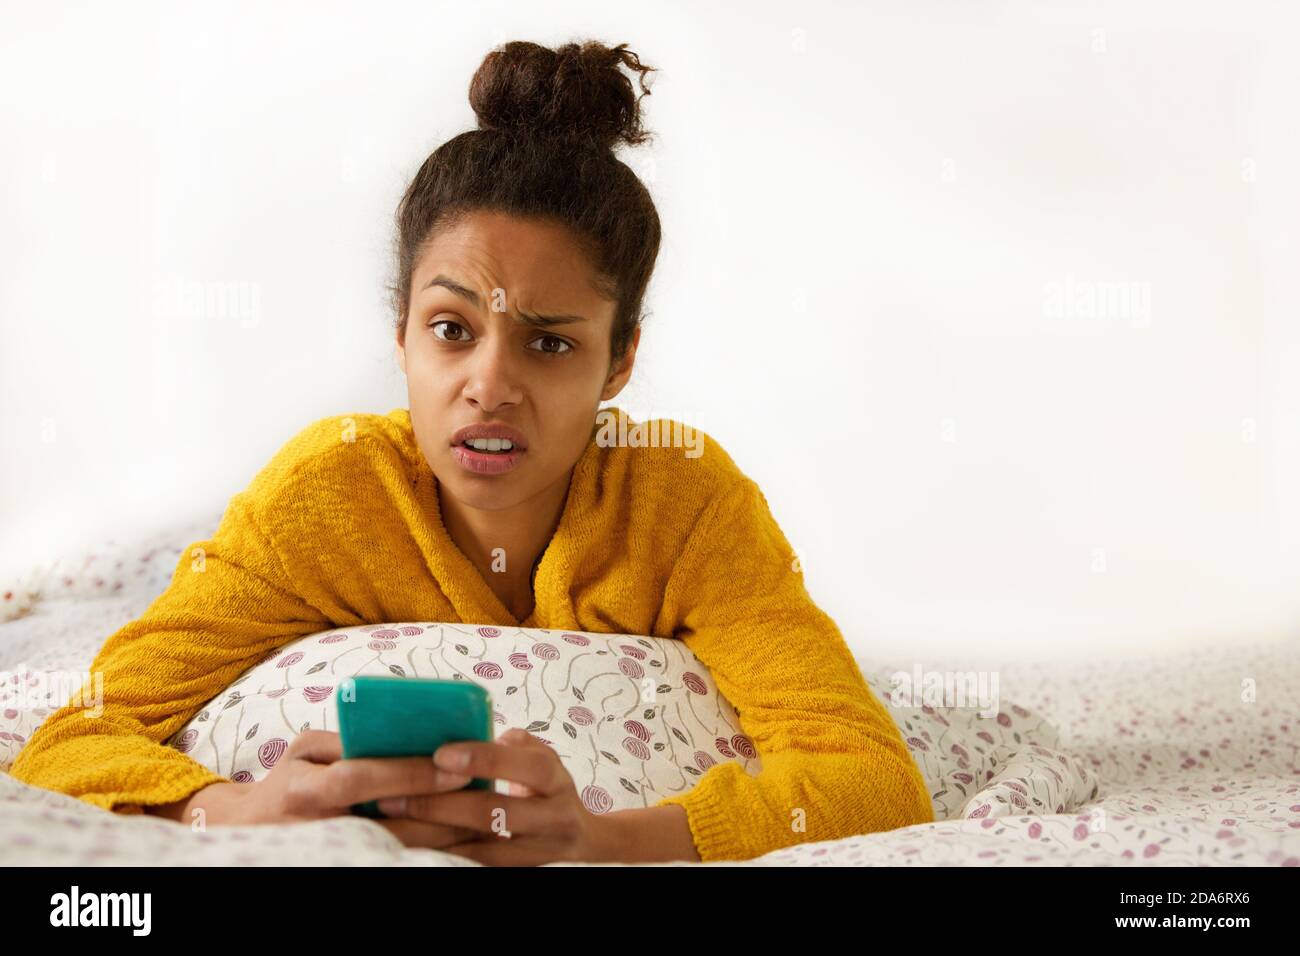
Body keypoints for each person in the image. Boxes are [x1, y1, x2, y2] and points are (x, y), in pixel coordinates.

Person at [8, 38, 934, 864]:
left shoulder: (686, 506)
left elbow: (872, 778)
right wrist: (227, 813)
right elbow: (74, 740)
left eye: (552, 342)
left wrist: (603, 841)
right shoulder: (323, 499)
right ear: (400, 335)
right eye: (452, 328)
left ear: (621, 362)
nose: (490, 383)